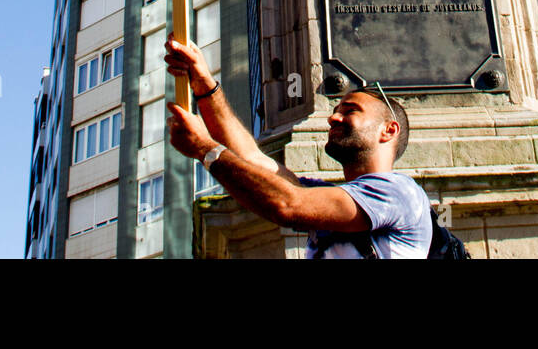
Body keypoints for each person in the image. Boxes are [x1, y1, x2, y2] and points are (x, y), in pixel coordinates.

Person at [164, 37, 431, 258]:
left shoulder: (399, 193)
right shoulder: (326, 196)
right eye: (335, 110)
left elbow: (287, 204)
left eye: (350, 111)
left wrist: (205, 149)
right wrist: (204, 84)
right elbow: (251, 157)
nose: (333, 117)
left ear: (389, 130)